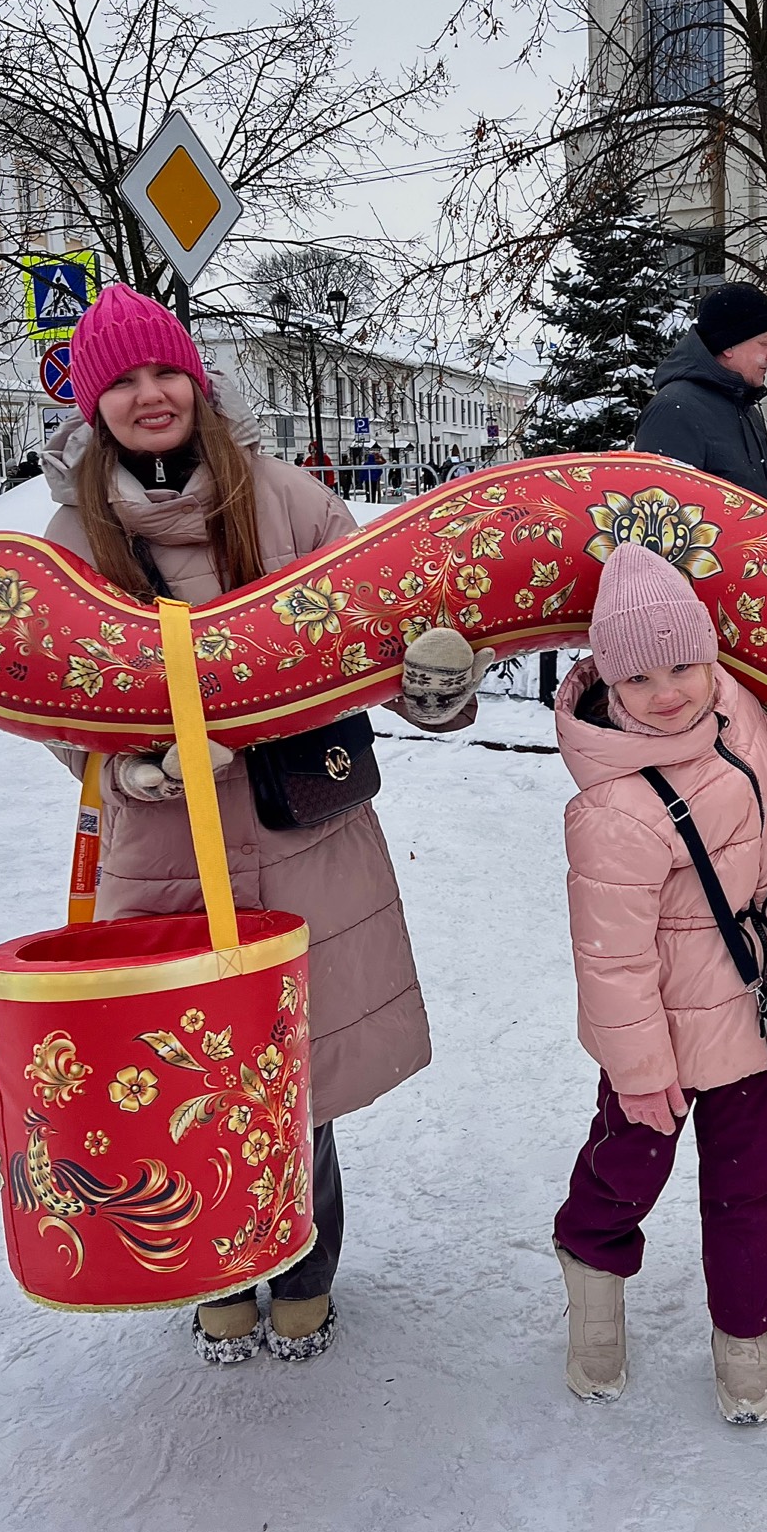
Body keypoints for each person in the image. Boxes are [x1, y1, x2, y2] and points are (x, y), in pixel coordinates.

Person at [42, 285, 489, 1364]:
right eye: (124, 381)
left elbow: (388, 644)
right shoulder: (71, 536)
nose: (150, 396)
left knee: (296, 1068)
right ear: (93, 403)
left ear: (198, 381)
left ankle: (302, 1266)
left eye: (166, 372)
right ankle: (215, 1266)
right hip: (166, 854)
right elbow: (50, 682)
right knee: (185, 1068)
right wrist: (117, 760)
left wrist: (437, 685)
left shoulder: (292, 504)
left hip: (302, 834)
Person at [551, 542, 767, 1424]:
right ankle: (594, 1286)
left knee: (752, 1184)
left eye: (684, 662)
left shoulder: (738, 714)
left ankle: (744, 1336)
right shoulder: (614, 808)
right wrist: (640, 1074)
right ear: (609, 680)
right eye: (638, 677)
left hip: (753, 1015)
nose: (667, 690)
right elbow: (613, 962)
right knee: (625, 1173)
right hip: (664, 1044)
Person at [635, 283, 767, 503]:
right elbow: (659, 519)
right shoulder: (675, 411)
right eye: (765, 343)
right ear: (728, 345)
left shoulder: (745, 408)